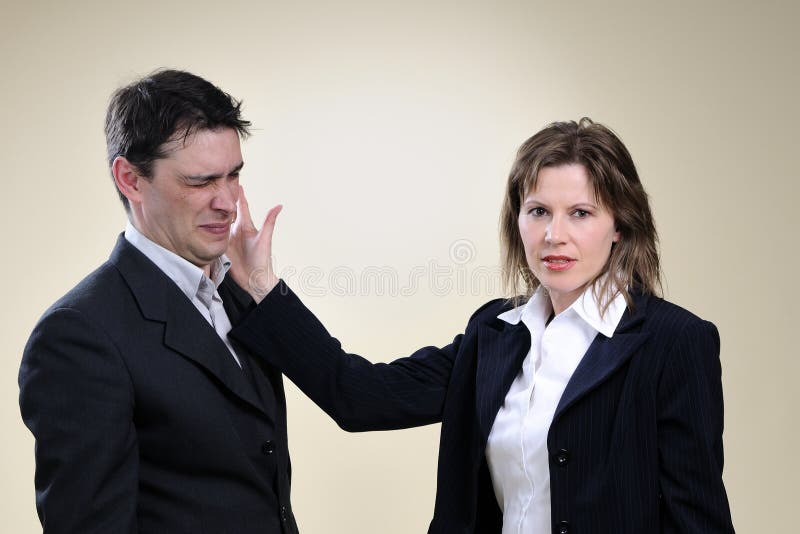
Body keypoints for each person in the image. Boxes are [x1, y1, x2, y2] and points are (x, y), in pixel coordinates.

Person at [226, 118, 735, 533]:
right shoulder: (494, 332)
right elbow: (361, 397)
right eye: (538, 211)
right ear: (518, 219)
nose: (554, 235)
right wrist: (263, 287)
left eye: (580, 213)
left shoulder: (674, 342)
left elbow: (698, 520)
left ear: (620, 224)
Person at [19, 69, 297, 533]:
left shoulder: (240, 291)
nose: (228, 203)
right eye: (201, 181)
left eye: (233, 175)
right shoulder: (77, 334)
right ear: (130, 179)